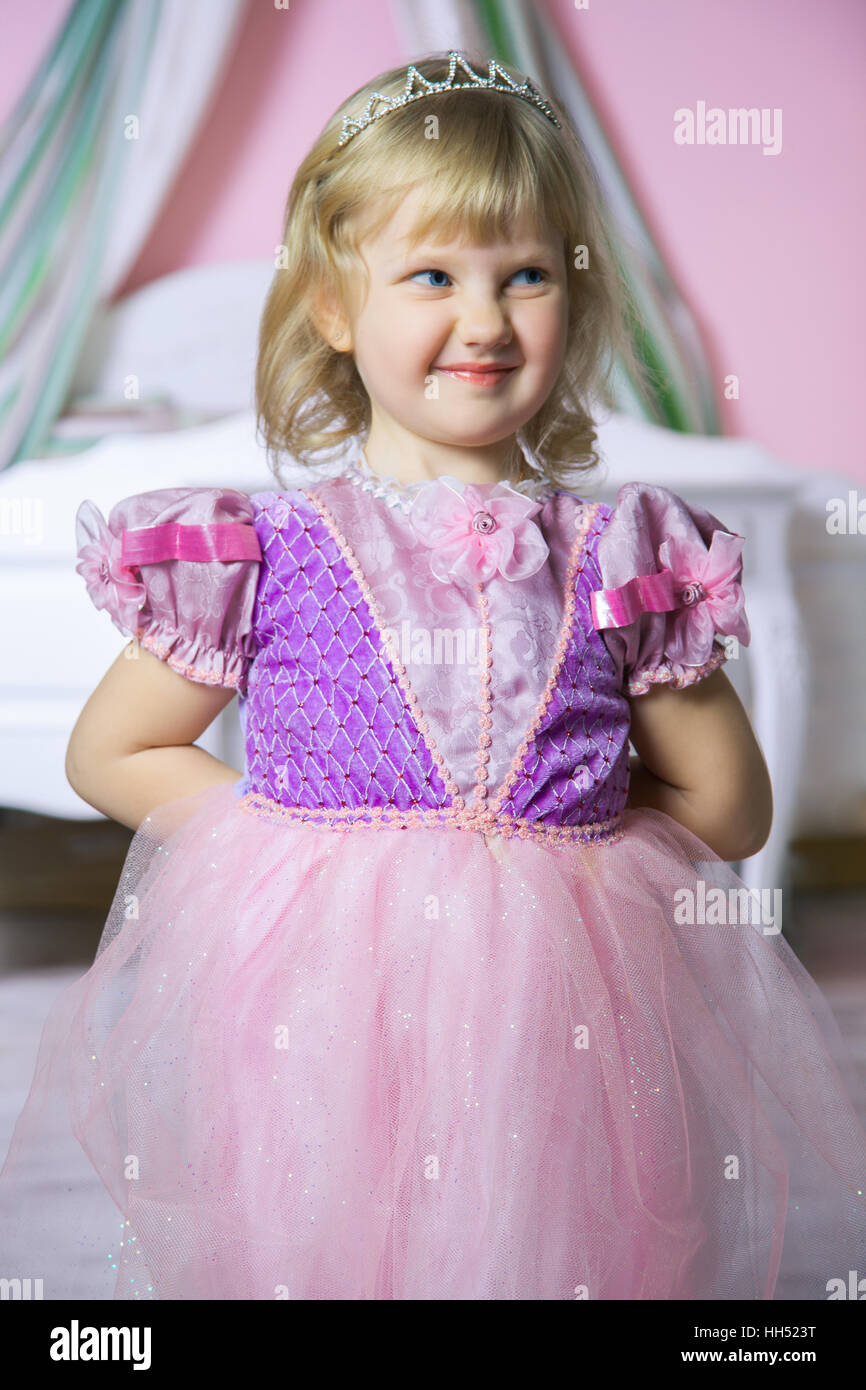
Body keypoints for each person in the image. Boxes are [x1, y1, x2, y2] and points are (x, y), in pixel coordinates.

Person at [0, 50, 863, 1301]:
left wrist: (570, 824)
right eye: (432, 276)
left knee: (543, 1233)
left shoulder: (623, 555)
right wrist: (291, 844)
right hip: (325, 999)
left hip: (556, 1003)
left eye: (525, 274)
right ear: (332, 308)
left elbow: (728, 807)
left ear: (574, 297)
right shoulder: (266, 549)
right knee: (334, 1230)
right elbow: (112, 751)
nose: (485, 319)